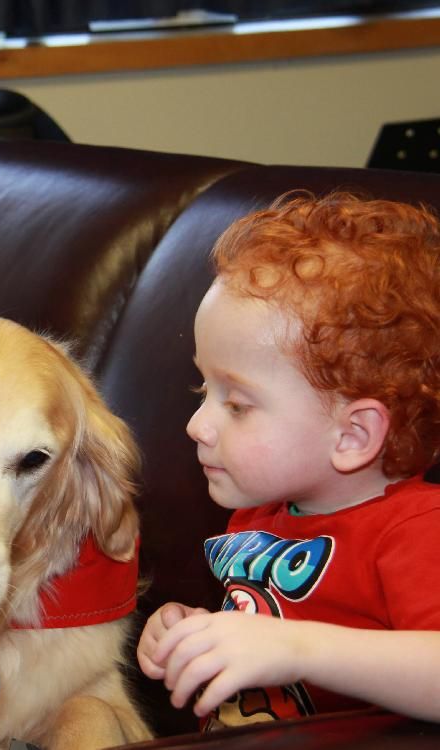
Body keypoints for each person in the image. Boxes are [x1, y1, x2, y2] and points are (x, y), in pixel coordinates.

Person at [137, 191, 440, 728]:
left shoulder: (416, 531)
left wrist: (296, 647)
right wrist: (197, 631)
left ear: (352, 435)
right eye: (200, 387)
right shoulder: (263, 516)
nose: (196, 425)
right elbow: (271, 626)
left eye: (237, 404)